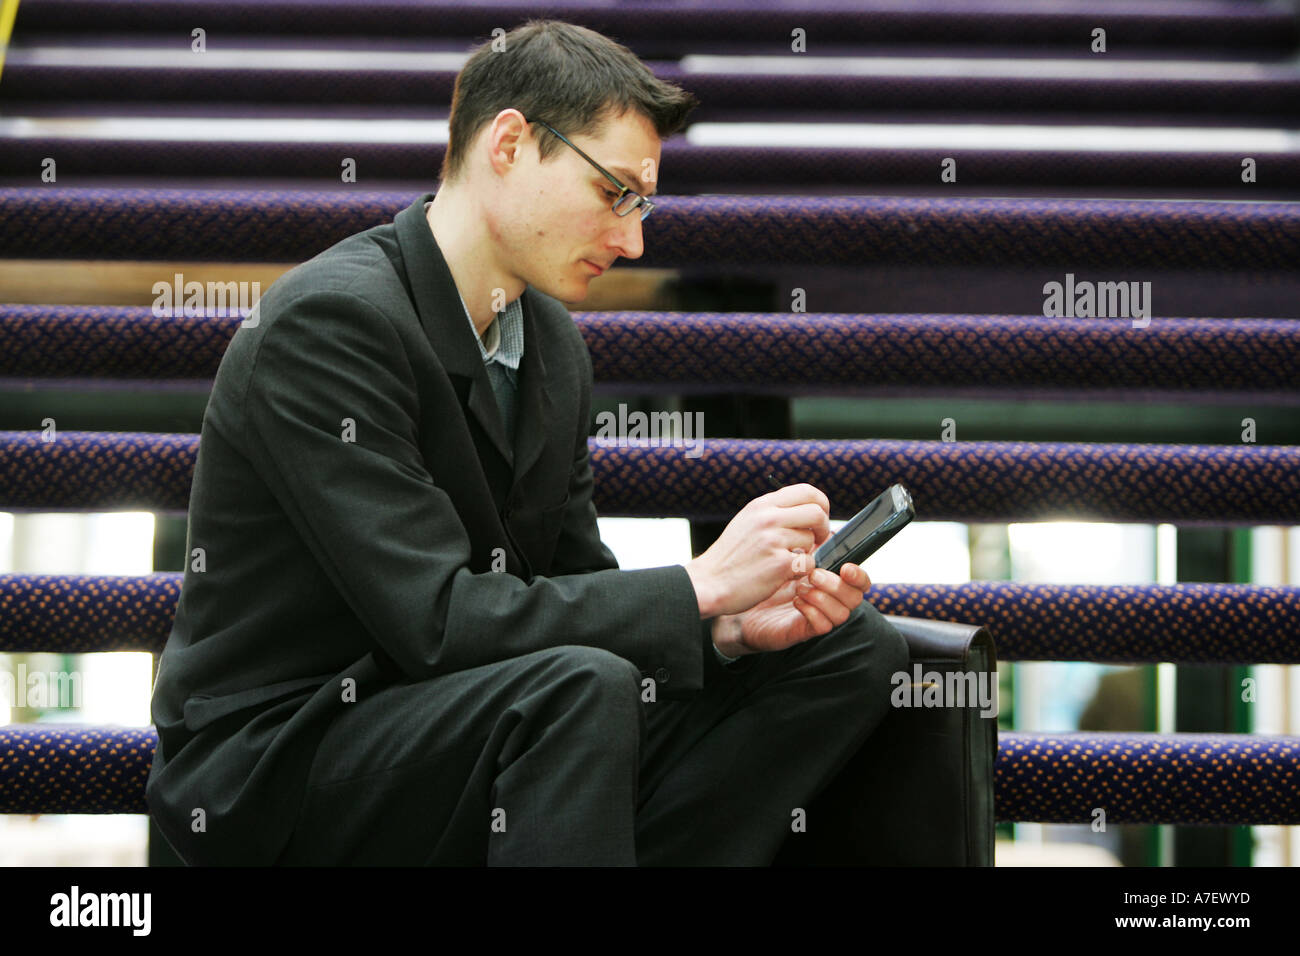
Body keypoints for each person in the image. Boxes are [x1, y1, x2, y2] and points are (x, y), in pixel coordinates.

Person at [146, 18, 909, 866]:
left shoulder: (550, 341)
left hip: (486, 720)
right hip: (287, 757)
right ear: (509, 143)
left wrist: (726, 630)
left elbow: (572, 588)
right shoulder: (333, 324)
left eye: (643, 204)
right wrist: (701, 581)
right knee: (578, 690)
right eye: (615, 192)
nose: (633, 240)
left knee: (847, 651)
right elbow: (435, 622)